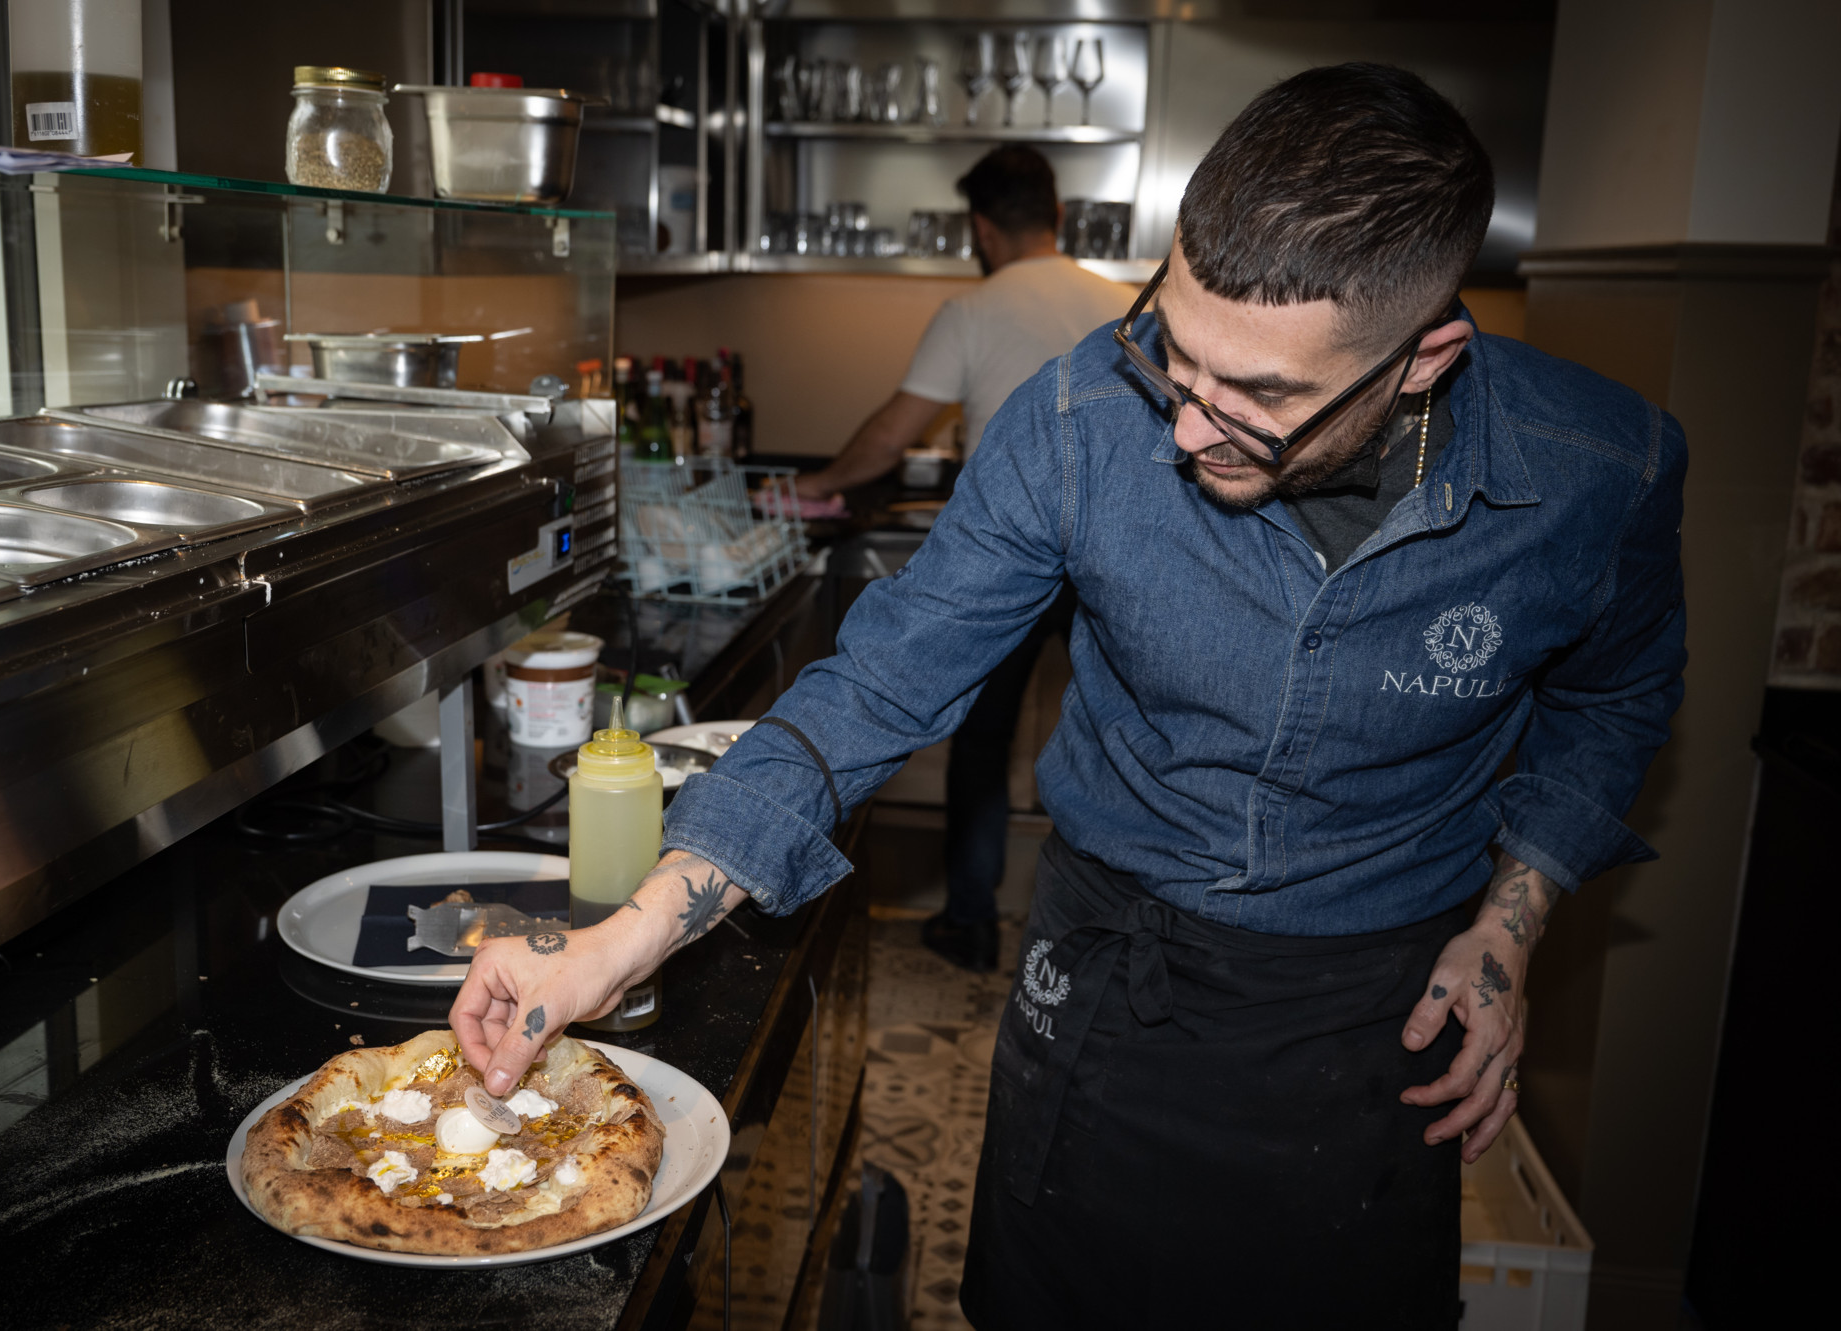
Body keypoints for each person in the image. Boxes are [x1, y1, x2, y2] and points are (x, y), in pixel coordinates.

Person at [451, 63, 1685, 1326]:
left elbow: (1613, 697)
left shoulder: (1599, 474)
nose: (1187, 429)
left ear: (1420, 361)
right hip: (1108, 975)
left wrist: (1510, 922)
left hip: (1370, 1013)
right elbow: (881, 678)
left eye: (1258, 398)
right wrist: (627, 932)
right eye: (1177, 350)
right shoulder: (1079, 417)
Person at [796, 145, 1127, 972]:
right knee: (1116, 735)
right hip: (1112, 550)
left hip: (1014, 554)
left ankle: (971, 921)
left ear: (982, 227)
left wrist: (820, 485)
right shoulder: (1129, 305)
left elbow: (890, 437)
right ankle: (1098, 939)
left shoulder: (975, 308)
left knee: (983, 736)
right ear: (1056, 214)